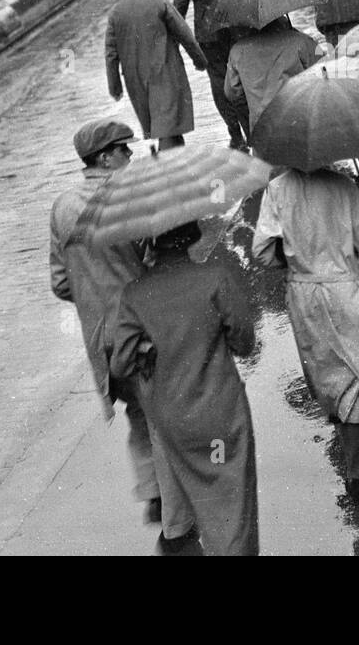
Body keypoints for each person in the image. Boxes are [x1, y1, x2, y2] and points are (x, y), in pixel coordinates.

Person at [49, 119, 193, 542]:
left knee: (137, 412)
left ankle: (150, 489)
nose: (130, 156)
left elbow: (60, 283)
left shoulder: (62, 206)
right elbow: (157, 260)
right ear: (105, 157)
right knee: (163, 417)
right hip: (139, 328)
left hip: (100, 340)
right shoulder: (128, 199)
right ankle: (177, 527)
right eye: (125, 151)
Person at [110, 220, 259, 556]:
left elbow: (120, 365)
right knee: (231, 501)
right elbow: (244, 342)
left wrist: (150, 347)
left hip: (175, 424)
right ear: (190, 236)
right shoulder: (214, 279)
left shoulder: (135, 294)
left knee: (203, 503)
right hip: (220, 418)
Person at [252, 165, 359, 494]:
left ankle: (351, 438)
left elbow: (262, 251)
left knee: (325, 370)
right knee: (357, 372)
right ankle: (357, 468)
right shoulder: (344, 185)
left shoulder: (277, 189)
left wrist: (297, 261)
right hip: (347, 289)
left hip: (303, 293)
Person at [105, 0, 208, 151]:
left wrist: (115, 87)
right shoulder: (159, 3)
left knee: (166, 130)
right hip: (166, 73)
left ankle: (175, 171)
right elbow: (185, 35)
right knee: (169, 130)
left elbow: (111, 55)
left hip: (136, 81)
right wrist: (200, 60)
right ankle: (169, 172)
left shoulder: (116, 13)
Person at [172, 0, 251, 152]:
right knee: (240, 79)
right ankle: (251, 130)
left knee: (218, 81)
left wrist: (175, 36)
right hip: (233, 26)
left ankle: (235, 135)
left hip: (207, 33)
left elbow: (179, 7)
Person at [224, 16, 319, 131]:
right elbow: (324, 73)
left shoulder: (238, 51)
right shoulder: (300, 41)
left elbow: (231, 93)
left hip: (261, 125)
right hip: (299, 118)